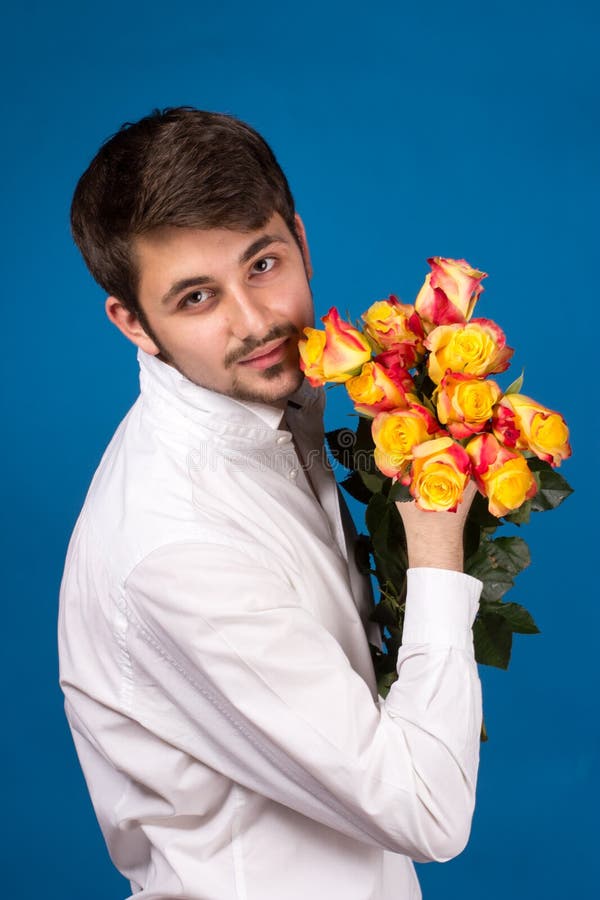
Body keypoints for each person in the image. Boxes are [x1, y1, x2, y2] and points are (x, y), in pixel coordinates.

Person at [58, 106, 483, 900]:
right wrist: (433, 552)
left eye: (262, 265)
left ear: (301, 241)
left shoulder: (277, 411)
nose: (255, 323)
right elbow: (429, 811)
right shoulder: (177, 549)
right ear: (133, 324)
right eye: (195, 298)